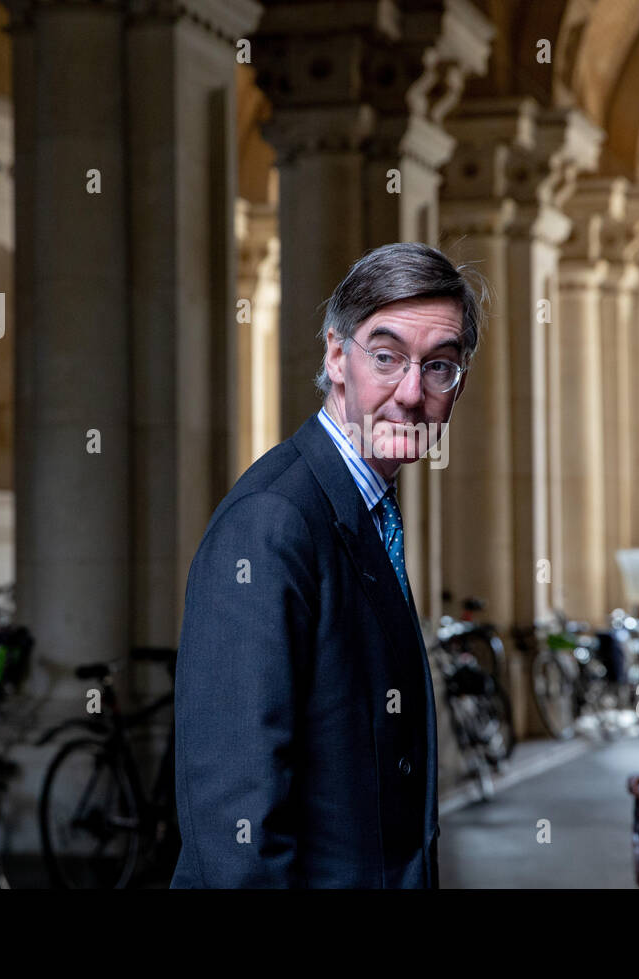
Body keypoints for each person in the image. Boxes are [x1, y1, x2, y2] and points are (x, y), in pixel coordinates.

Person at [170, 242, 483, 888]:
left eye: (440, 367)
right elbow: (239, 831)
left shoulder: (363, 504)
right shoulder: (271, 522)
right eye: (387, 356)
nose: (410, 392)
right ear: (337, 357)